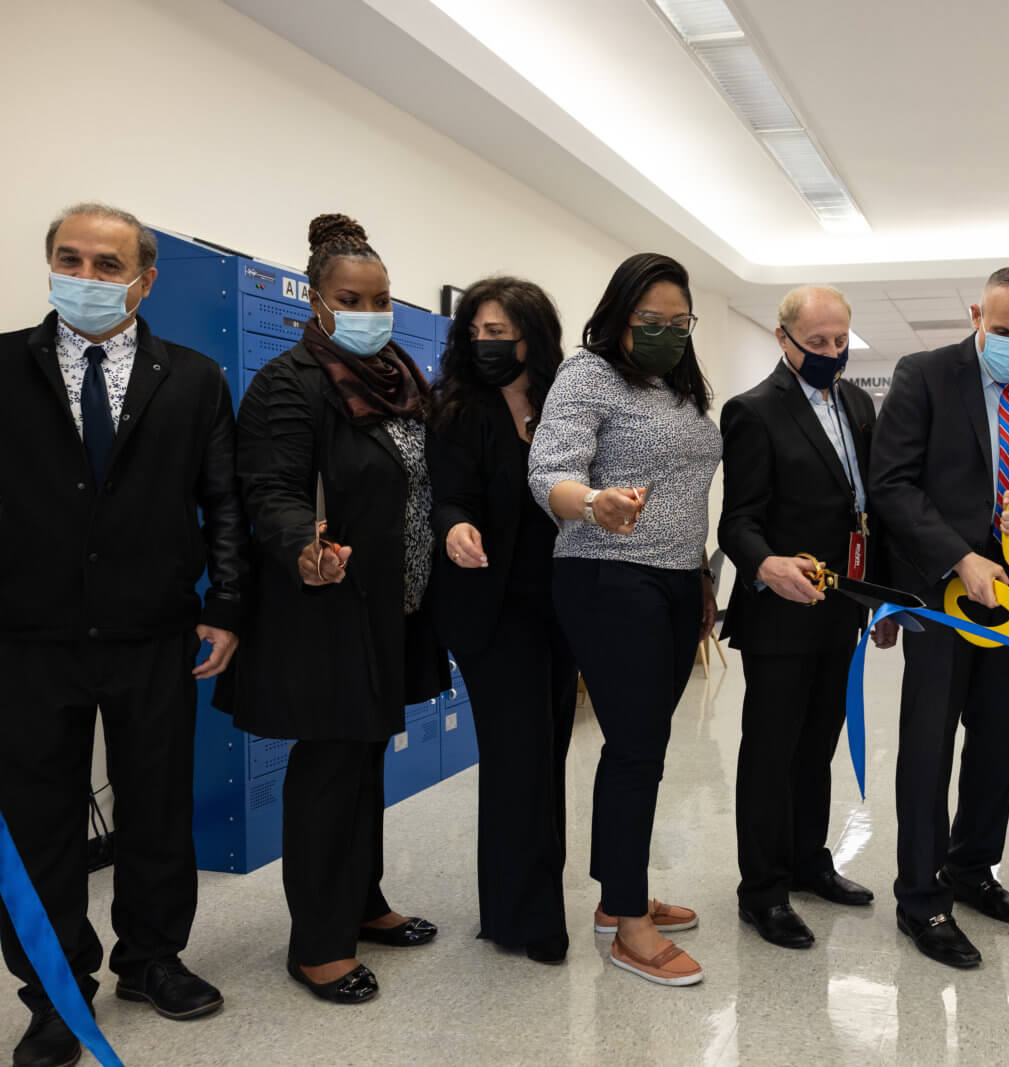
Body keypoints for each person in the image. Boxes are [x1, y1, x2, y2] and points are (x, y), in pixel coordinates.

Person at [0, 203, 244, 1065]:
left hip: (154, 631)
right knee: (40, 820)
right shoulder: (2, 366)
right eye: (71, 260)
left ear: (145, 279)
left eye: (108, 265)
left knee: (156, 808)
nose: (88, 278)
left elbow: (225, 502)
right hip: (28, 638)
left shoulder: (195, 377)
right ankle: (54, 992)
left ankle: (153, 959)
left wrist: (226, 606)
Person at [222, 214, 446, 1005]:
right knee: (326, 769)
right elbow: (272, 489)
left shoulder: (401, 377)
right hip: (327, 605)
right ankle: (316, 943)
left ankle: (362, 901)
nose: (367, 310)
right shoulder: (290, 382)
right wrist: (302, 547)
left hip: (395, 604)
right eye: (350, 298)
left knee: (364, 758)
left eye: (380, 297)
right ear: (317, 300)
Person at [869, 263, 1009, 969]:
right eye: (1004, 330)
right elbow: (892, 485)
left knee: (998, 742)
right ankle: (920, 896)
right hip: (942, 597)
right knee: (928, 747)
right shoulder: (925, 374)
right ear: (976, 313)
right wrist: (959, 557)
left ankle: (972, 868)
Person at [528, 252, 721, 987]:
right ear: (619, 316)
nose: (669, 333)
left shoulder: (679, 386)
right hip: (607, 573)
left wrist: (701, 574)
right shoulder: (586, 374)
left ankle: (618, 894)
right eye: (652, 321)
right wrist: (593, 501)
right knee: (638, 746)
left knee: (642, 743)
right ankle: (627, 923)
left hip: (675, 580)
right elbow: (548, 467)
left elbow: (686, 486)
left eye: (680, 322)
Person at [718, 285, 898, 950]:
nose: (829, 353)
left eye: (838, 341)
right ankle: (760, 889)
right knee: (770, 751)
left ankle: (807, 860)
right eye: (815, 342)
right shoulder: (754, 412)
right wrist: (767, 567)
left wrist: (878, 597)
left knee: (817, 743)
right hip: (780, 612)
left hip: (840, 607)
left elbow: (867, 510)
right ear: (783, 338)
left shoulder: (855, 402)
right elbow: (738, 519)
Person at [426, 277, 579, 964]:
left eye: (501, 333)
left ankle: (522, 898)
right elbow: (448, 494)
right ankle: (529, 918)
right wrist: (456, 527)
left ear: (534, 338)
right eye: (477, 332)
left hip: (562, 605)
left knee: (549, 754)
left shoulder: (563, 405)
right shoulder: (460, 408)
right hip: (493, 609)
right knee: (519, 758)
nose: (487, 344)